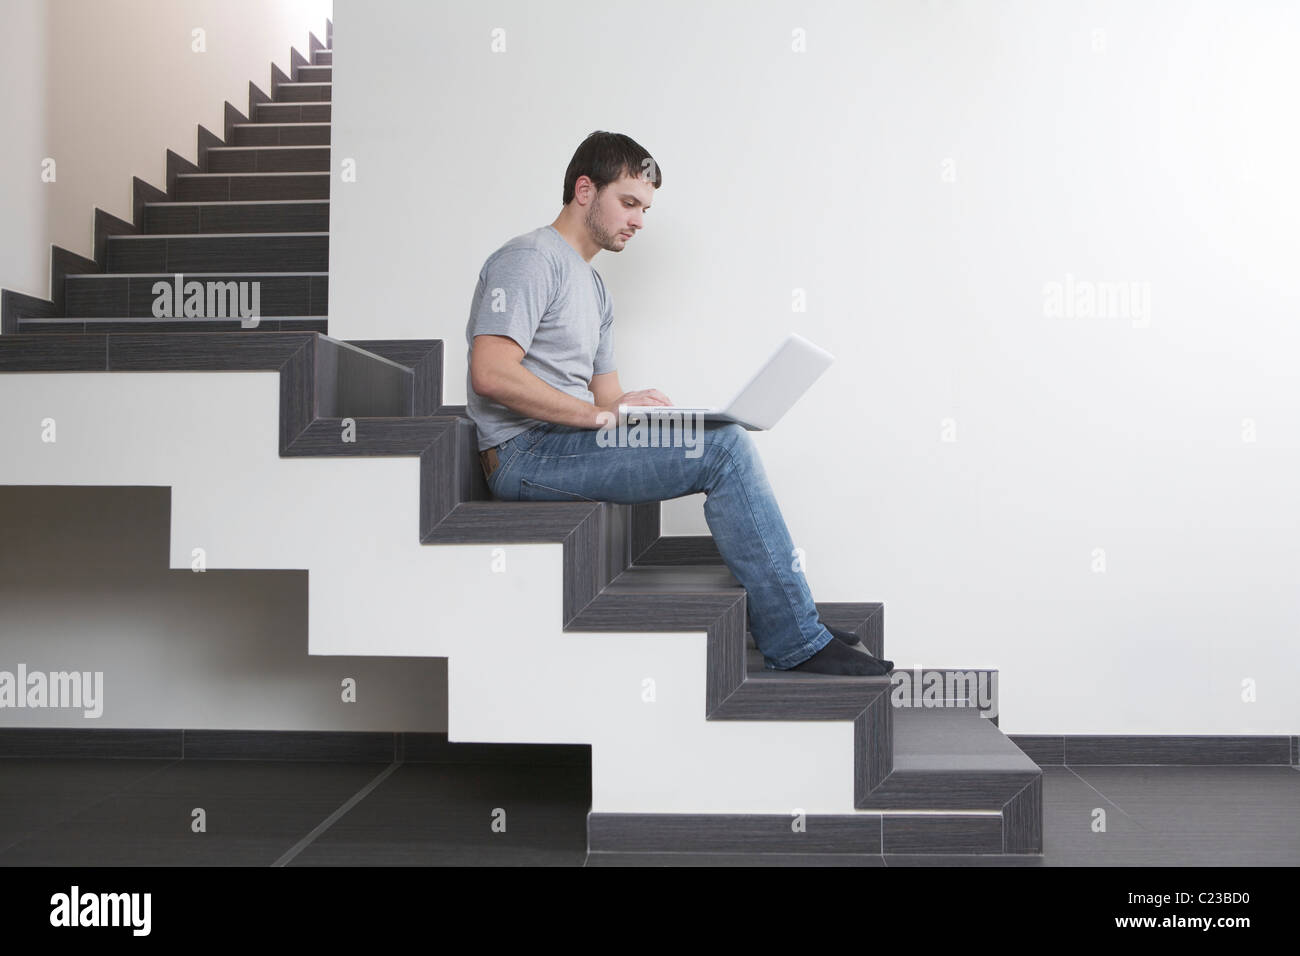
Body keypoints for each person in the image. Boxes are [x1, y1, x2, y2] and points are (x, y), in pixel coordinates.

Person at [463, 131, 891, 676]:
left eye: (646, 208)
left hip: (565, 442)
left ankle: (791, 620)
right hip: (523, 454)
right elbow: (491, 373)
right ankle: (795, 637)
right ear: (585, 190)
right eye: (630, 202)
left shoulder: (594, 289)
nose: (639, 220)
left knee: (719, 434)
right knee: (725, 450)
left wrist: (637, 409)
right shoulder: (529, 259)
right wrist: (599, 415)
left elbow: (606, 398)